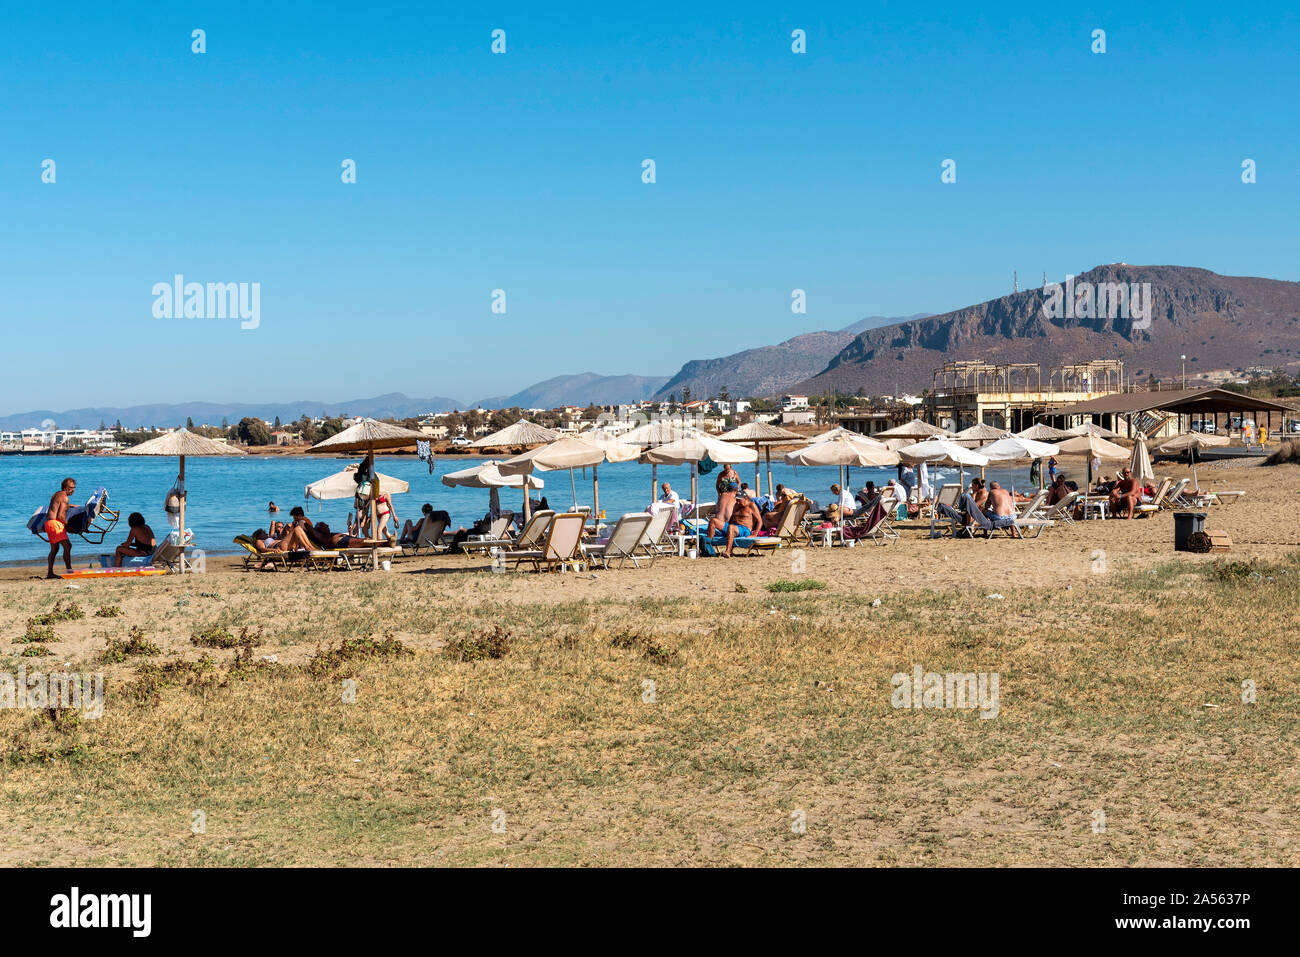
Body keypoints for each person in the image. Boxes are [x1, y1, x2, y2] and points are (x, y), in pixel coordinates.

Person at [45, 477, 76, 578]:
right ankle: (69, 570)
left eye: (74, 488)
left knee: (54, 549)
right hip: (55, 524)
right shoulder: (65, 497)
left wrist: (70, 505)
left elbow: (57, 506)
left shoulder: (57, 494)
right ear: (66, 488)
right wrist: (68, 526)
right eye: (71, 488)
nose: (73, 490)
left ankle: (50, 573)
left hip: (48, 523)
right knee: (68, 546)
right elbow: (60, 516)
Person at [720, 492, 763, 558]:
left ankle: (728, 551)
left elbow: (760, 521)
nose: (737, 502)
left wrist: (755, 534)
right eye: (736, 500)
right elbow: (732, 517)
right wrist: (727, 528)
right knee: (713, 521)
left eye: (739, 500)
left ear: (745, 498)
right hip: (734, 527)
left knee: (731, 527)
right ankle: (708, 547)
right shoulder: (736, 505)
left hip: (745, 529)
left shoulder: (751, 505)